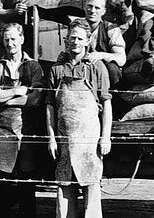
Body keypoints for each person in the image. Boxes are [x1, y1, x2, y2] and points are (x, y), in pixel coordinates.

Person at [0, 23, 49, 217]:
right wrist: (17, 91)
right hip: (1, 130)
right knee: (2, 186)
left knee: (27, 187)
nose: (10, 44)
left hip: (27, 130)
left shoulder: (34, 67)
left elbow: (35, 99)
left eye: (13, 39)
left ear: (22, 39)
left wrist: (4, 99)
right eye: (6, 40)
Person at [45, 20, 113, 218]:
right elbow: (50, 106)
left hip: (89, 141)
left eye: (80, 38)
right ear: (66, 40)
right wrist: (51, 138)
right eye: (72, 37)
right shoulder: (56, 70)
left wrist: (105, 137)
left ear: (87, 41)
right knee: (64, 189)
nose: (75, 41)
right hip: (64, 140)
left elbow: (106, 103)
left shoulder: (96, 68)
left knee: (91, 188)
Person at [81, 0, 128, 87]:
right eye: (89, 6)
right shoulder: (76, 27)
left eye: (97, 8)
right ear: (84, 7)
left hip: (105, 76)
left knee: (113, 68)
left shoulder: (111, 29)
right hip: (82, 69)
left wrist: (101, 55)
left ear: (103, 11)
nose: (92, 11)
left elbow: (121, 59)